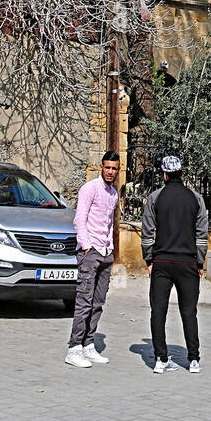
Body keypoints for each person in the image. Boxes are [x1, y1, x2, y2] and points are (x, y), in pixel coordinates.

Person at [141, 155, 208, 374]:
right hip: (187, 262)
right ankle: (194, 359)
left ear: (164, 175)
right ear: (181, 173)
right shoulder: (195, 198)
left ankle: (160, 359)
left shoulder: (155, 198)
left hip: (161, 262)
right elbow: (201, 235)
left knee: (158, 311)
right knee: (189, 311)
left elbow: (147, 233)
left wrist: (149, 259)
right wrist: (199, 261)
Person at [65, 151, 120, 369]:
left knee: (98, 302)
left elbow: (109, 224)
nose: (110, 172)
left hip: (106, 252)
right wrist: (87, 247)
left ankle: (89, 344)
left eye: (114, 168)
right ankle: (74, 347)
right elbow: (79, 219)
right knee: (84, 301)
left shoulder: (113, 193)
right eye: (107, 167)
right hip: (90, 252)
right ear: (101, 167)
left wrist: (111, 249)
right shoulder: (89, 189)